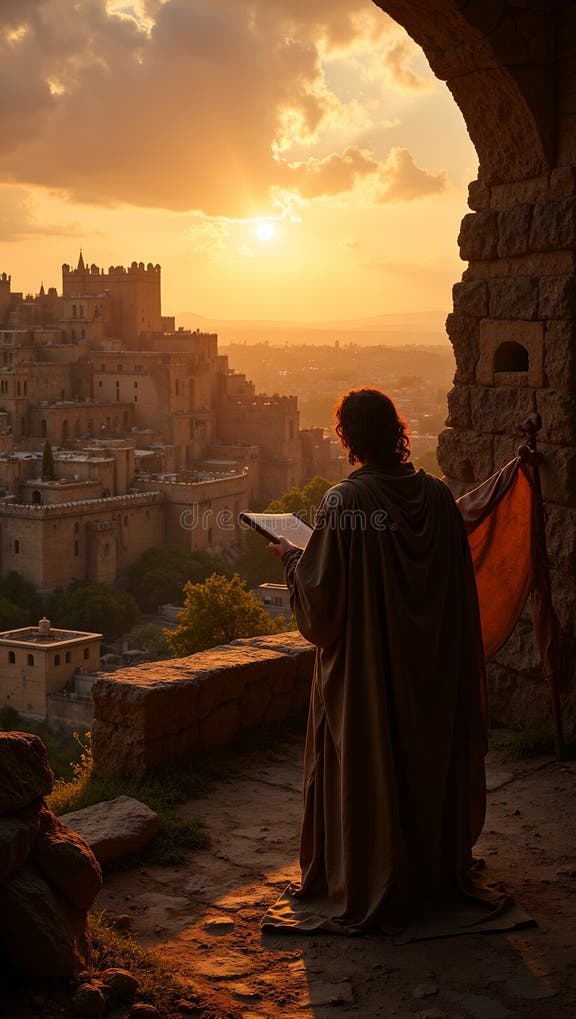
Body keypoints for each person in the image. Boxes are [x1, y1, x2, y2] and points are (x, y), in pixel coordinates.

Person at [260, 388, 511, 938]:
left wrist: (292, 558)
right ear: (395, 430)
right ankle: (430, 868)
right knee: (423, 768)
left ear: (348, 437)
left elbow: (322, 612)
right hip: (431, 671)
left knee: (372, 768)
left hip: (369, 676)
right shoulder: (439, 497)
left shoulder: (344, 505)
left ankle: (372, 873)